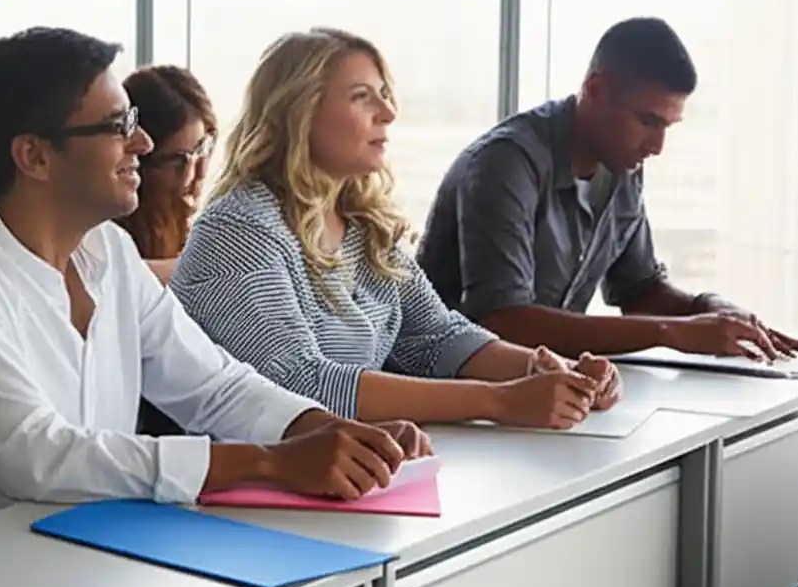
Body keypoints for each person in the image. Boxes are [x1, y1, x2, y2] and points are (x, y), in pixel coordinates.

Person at [0, 27, 432, 543]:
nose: (144, 145)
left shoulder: (107, 250)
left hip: (99, 556)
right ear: (34, 155)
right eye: (118, 127)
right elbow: (34, 455)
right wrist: (271, 462)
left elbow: (215, 386)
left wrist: (337, 433)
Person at [172, 28, 619, 428]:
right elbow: (298, 382)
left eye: (385, 94)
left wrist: (554, 373)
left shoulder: (363, 227)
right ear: (300, 111)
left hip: (341, 471)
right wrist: (499, 402)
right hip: (239, 492)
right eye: (362, 96)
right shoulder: (239, 229)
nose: (387, 111)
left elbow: (438, 337)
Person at [416, 17, 798, 362]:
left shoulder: (621, 164)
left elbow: (639, 290)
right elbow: (503, 321)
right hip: (449, 399)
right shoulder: (506, 162)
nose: (657, 146)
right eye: (648, 121)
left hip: (537, 392)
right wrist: (670, 332)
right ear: (595, 91)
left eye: (666, 127)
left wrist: (710, 313)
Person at [114, 65, 217, 285]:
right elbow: (116, 279)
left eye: (202, 149)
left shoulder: (193, 232)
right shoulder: (108, 242)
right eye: (177, 160)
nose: (196, 173)